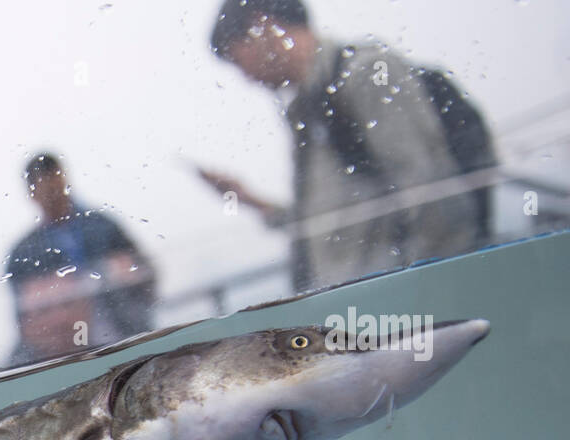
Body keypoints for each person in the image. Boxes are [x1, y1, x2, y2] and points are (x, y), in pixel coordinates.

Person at [203, 0, 494, 291]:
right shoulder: (306, 108)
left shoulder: (365, 74)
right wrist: (250, 200)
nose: (247, 78)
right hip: (354, 308)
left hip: (395, 305)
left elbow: (433, 194)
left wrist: (430, 296)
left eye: (238, 60)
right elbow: (330, 222)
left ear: (262, 26)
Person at [3, 154, 156, 367]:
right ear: (32, 194)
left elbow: (149, 275)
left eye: (56, 185)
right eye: (46, 190)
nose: (53, 194)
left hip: (122, 334)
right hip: (62, 353)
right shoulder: (23, 253)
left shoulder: (104, 227)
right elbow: (24, 320)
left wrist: (125, 273)